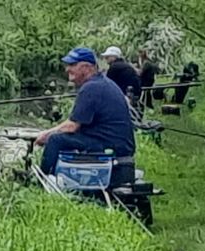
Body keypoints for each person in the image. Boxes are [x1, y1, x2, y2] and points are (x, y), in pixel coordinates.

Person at [34, 47, 136, 175]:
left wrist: (45, 135)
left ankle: (43, 177)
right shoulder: (103, 83)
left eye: (72, 65)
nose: (67, 69)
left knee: (55, 139)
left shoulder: (91, 88)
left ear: (87, 67)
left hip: (111, 147)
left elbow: (71, 126)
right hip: (119, 144)